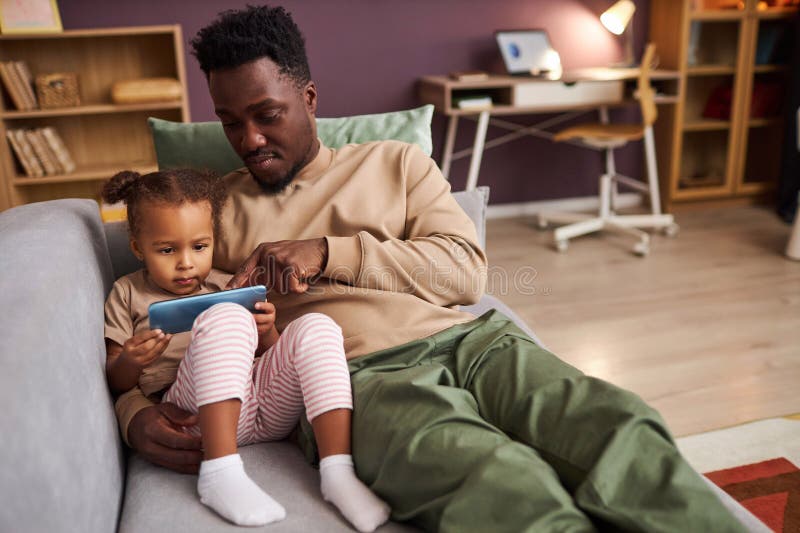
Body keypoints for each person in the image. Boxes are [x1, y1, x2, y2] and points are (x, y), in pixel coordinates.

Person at [116, 6, 747, 532]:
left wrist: (331, 251)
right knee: (501, 483)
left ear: (307, 98)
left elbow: (465, 273)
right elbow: (153, 316)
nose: (249, 140)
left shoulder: (397, 163)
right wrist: (132, 410)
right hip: (362, 384)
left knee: (619, 427)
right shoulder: (212, 211)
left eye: (266, 114)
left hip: (475, 342)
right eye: (230, 123)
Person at [101, 168, 390, 531]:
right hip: (193, 417)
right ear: (138, 247)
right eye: (167, 250)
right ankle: (220, 472)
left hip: (262, 410)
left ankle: (338, 472)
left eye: (199, 246)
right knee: (226, 316)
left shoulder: (227, 284)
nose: (186, 262)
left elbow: (270, 357)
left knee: (317, 326)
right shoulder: (127, 293)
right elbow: (114, 376)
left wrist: (267, 334)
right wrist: (130, 359)